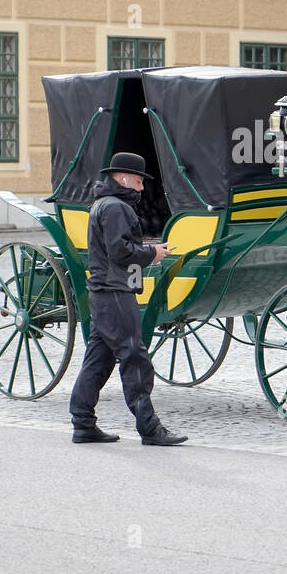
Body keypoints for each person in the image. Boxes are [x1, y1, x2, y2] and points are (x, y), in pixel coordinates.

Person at [69, 152, 188, 446]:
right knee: (134, 355)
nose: (142, 188)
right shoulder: (116, 207)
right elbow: (120, 252)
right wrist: (152, 254)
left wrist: (148, 248)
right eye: (138, 181)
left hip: (104, 291)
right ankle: (150, 429)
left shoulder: (106, 204)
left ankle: (82, 423)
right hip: (115, 292)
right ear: (122, 178)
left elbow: (119, 246)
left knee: (99, 358)